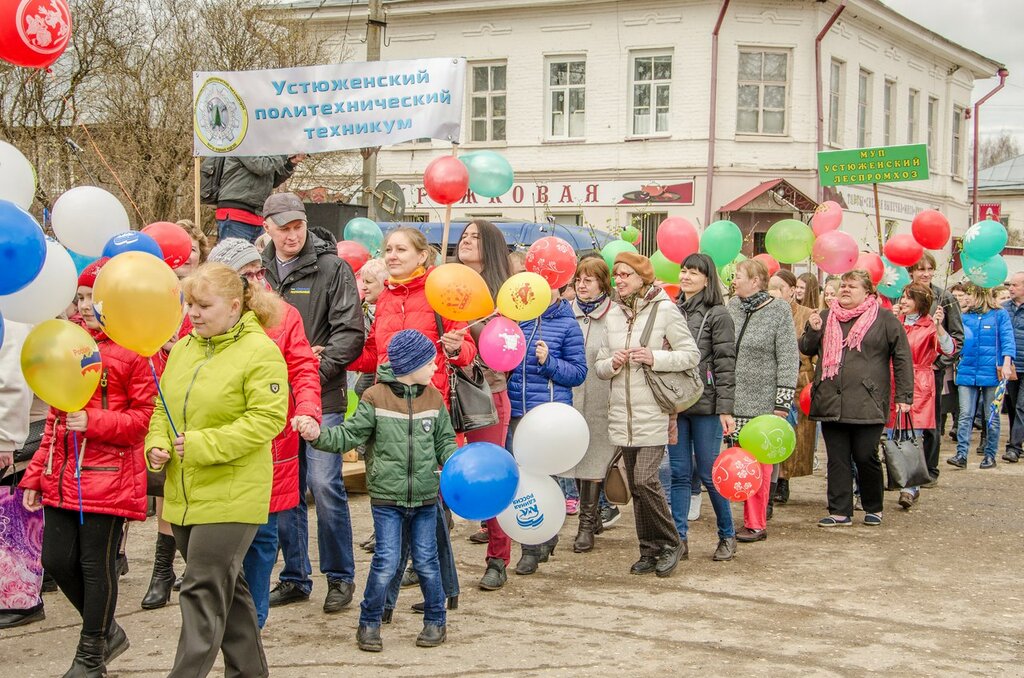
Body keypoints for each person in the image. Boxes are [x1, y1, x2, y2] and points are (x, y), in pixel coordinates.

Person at [146, 262, 288, 677]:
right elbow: (162, 407)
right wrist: (156, 445)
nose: (193, 312)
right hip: (184, 493)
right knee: (230, 591)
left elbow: (267, 420)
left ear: (233, 306)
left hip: (234, 493)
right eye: (189, 303)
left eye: (203, 305)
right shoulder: (185, 348)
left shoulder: (260, 351)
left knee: (200, 589)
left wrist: (201, 445)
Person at [21, 259, 157, 675]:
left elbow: (143, 421)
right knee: (56, 561)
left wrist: (94, 421)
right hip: (61, 476)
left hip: (109, 478)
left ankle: (91, 653)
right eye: (78, 297)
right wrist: (36, 473)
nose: (82, 306)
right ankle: (107, 630)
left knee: (96, 566)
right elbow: (53, 421)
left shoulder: (134, 355)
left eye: (90, 298)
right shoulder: (70, 347)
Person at [295, 330, 457, 653]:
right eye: (429, 363)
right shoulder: (374, 398)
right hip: (387, 499)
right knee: (385, 560)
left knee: (427, 562)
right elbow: (347, 436)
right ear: (410, 366)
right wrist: (317, 435)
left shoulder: (434, 399)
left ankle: (436, 620)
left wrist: (457, 464)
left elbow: (446, 443)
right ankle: (369, 623)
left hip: (426, 497)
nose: (434, 369)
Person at [348, 226, 475, 614]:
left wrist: (457, 349)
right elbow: (371, 354)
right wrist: (334, 353)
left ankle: (397, 595)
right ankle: (442, 587)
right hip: (388, 412)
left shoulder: (441, 293)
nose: (392, 255)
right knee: (416, 506)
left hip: (427, 412)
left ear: (423, 256)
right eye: (388, 249)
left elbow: (467, 350)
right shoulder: (383, 297)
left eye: (401, 249)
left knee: (422, 503)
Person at [207, 239, 322, 629]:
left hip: (273, 449)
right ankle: (220, 619)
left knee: (262, 540)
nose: (259, 280)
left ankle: (250, 629)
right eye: (247, 275)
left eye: (260, 270)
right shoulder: (202, 320)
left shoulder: (283, 316)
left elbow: (304, 368)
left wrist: (307, 410)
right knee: (219, 545)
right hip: (218, 450)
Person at [261, 192, 365, 614]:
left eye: (297, 225)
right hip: (272, 400)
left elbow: (350, 334)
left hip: (324, 395)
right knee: (285, 492)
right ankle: (295, 576)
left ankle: (340, 577)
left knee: (324, 485)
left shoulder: (332, 267)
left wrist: (307, 372)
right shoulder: (258, 273)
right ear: (266, 227)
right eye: (283, 227)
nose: (292, 234)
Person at [596, 252, 698, 577]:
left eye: (626, 274)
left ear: (642, 277)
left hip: (654, 411)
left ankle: (671, 542)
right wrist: (611, 364)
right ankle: (649, 550)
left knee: (644, 479)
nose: (619, 280)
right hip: (622, 415)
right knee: (636, 488)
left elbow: (691, 355)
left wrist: (655, 357)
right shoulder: (612, 314)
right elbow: (599, 363)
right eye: (617, 275)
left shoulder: (665, 309)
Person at [801, 270, 913, 527]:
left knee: (865, 455)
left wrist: (904, 395)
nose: (845, 290)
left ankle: (873, 505)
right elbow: (806, 348)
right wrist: (814, 330)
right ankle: (840, 510)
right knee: (838, 458)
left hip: (869, 400)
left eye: (852, 286)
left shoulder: (885, 319)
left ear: (868, 293)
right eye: (843, 286)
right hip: (831, 399)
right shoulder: (826, 317)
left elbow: (903, 357)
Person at [140, 218, 209, 610]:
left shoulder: (205, 298)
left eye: (192, 250)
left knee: (192, 486)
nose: (183, 257)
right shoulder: (150, 292)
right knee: (165, 486)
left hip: (195, 397)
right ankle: (161, 571)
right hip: (157, 394)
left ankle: (193, 565)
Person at [507, 275, 588, 575]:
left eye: (549, 285)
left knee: (547, 479)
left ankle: (545, 535)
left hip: (548, 417)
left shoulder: (568, 325)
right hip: (517, 412)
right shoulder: (518, 320)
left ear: (560, 290)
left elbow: (579, 373)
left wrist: (549, 361)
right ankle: (532, 543)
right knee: (522, 480)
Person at [454, 220, 515, 589]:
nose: (466, 240)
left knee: (488, 477)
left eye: (475, 237)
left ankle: (497, 557)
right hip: (439, 391)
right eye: (463, 235)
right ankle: (424, 557)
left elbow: (505, 354)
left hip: (485, 394)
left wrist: (464, 343)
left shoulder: (503, 296)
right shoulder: (444, 283)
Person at [667, 253, 737, 561]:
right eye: (683, 271)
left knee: (710, 474)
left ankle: (727, 534)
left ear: (707, 279)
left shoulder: (718, 314)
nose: (686, 277)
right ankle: (678, 538)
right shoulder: (672, 310)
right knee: (680, 473)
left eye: (693, 273)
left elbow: (725, 363)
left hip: (707, 405)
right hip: (677, 401)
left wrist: (726, 408)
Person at [726, 260, 798, 541]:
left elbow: (789, 358)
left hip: (764, 404)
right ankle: (737, 519)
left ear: (755, 281)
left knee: (759, 466)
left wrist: (782, 403)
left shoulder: (778, 310)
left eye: (739, 276)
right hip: (734, 401)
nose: (734, 280)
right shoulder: (732, 306)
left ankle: (756, 523)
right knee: (738, 464)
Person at [562, 256, 616, 554]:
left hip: (600, 397)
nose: (582, 286)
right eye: (578, 280)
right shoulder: (565, 312)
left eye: (589, 280)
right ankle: (591, 515)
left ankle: (585, 525)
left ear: (602, 283)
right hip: (570, 396)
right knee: (573, 456)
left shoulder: (615, 315)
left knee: (595, 456)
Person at [890, 284, 954, 508]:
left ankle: (910, 487)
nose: (904, 301)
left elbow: (948, 349)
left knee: (912, 436)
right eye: (903, 297)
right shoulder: (894, 322)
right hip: (891, 383)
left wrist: (939, 327)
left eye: (909, 298)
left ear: (921, 301)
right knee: (892, 436)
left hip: (918, 384)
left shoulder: (928, 326)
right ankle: (898, 478)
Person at [0, 318, 43, 630]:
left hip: (16, 432)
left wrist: (5, 439)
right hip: (16, 428)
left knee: (12, 519)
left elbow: (12, 381)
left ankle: (21, 598)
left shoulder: (12, 313)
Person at [907, 253, 963, 486]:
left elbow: (957, 338)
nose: (926, 273)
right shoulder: (906, 295)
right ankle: (905, 469)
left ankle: (930, 469)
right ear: (912, 272)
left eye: (930, 269)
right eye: (920, 269)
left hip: (931, 371)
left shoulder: (945, 298)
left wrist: (939, 364)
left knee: (930, 422)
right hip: (905, 370)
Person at [947, 285, 1015, 469]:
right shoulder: (964, 315)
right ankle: (961, 454)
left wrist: (1007, 362)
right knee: (965, 415)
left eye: (969, 294)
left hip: (992, 372)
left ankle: (990, 455)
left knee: (990, 416)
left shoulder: (999, 314)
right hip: (967, 370)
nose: (966, 298)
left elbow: (1007, 339)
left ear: (980, 294)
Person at [769, 270, 816, 509]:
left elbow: (814, 350)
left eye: (780, 288)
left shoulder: (808, 315)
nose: (776, 293)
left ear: (791, 290)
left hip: (800, 382)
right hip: (770, 381)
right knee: (774, 433)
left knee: (795, 435)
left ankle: (784, 479)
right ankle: (774, 481)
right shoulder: (765, 312)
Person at [214, 154, 305, 242]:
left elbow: (274, 181)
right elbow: (262, 167)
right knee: (234, 256)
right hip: (236, 214)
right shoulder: (244, 143)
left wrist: (290, 164)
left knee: (257, 257)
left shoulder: (264, 149)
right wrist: (284, 153)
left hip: (258, 215)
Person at [1002, 272, 1024, 463]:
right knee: (1012, 405)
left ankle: (1014, 447)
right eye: (1010, 284)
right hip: (1011, 365)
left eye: (1015, 285)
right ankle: (1017, 441)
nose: (1010, 288)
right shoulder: (1003, 309)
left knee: (1021, 407)